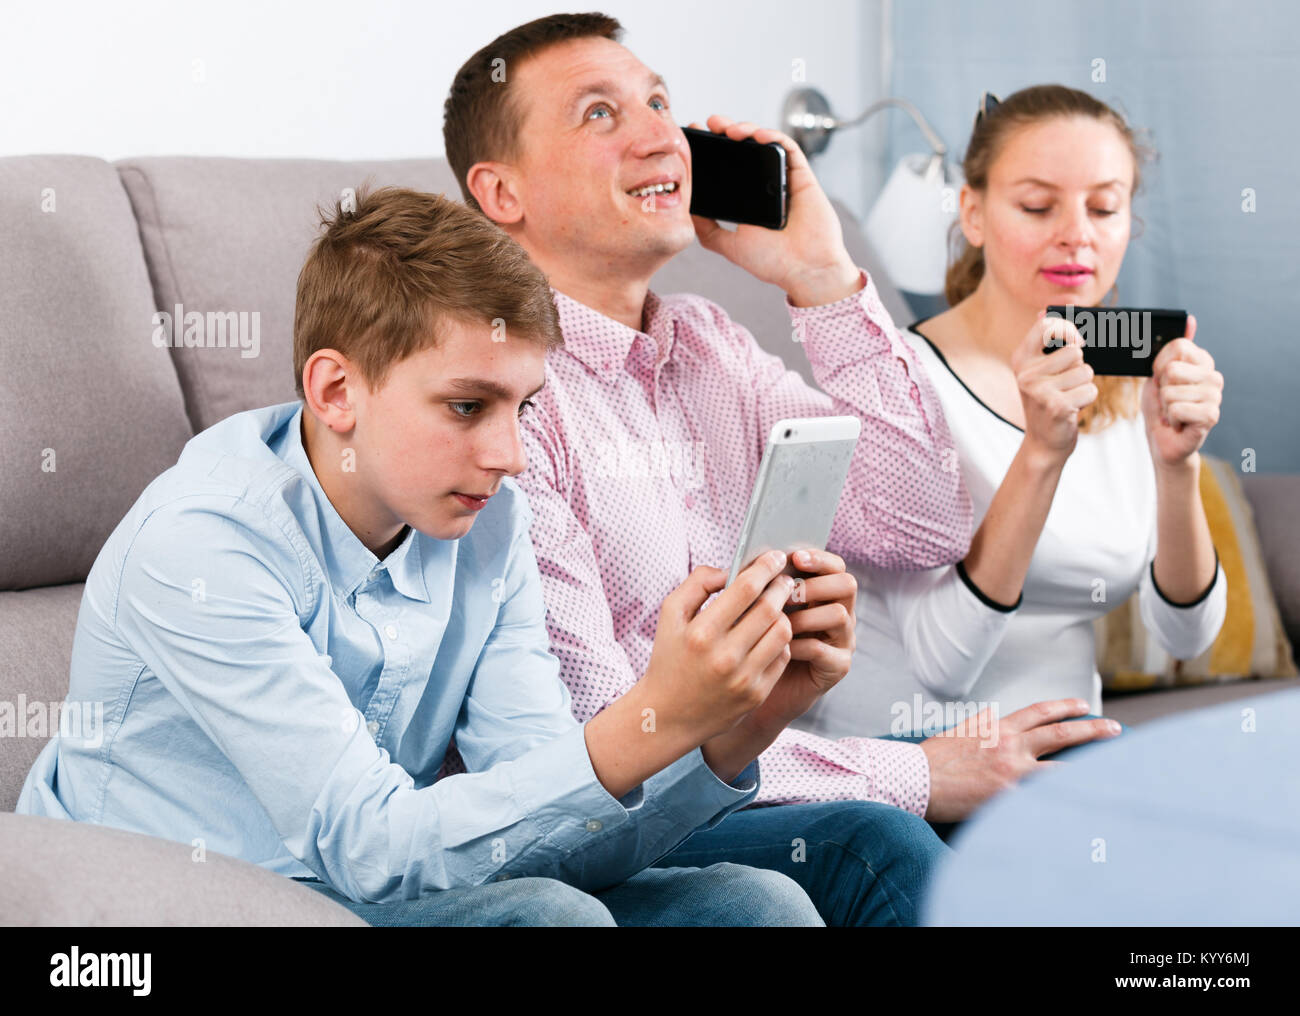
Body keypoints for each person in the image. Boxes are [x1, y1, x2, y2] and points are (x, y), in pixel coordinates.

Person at [14, 186, 827, 927]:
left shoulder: (491, 526)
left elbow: (553, 832)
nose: (511, 454)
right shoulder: (201, 546)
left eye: (524, 407)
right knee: (547, 921)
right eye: (467, 406)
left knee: (756, 904)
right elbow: (371, 844)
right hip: (186, 900)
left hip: (378, 884)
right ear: (336, 393)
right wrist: (662, 711)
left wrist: (737, 726)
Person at [440, 12, 1098, 925]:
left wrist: (823, 277)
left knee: (1086, 776)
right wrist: (914, 773)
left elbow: (919, 525)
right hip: (627, 811)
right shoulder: (497, 398)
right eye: (599, 114)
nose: (660, 133)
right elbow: (597, 752)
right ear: (501, 191)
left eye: (660, 102)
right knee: (880, 842)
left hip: (780, 762)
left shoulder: (708, 345)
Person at [795, 85, 1227, 822]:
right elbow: (942, 667)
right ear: (973, 213)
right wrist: (1041, 453)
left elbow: (1185, 634)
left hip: (1071, 758)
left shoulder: (1118, 380)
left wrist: (1176, 465)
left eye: (1103, 206)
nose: (1076, 235)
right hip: (918, 766)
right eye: (1037, 206)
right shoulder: (897, 385)